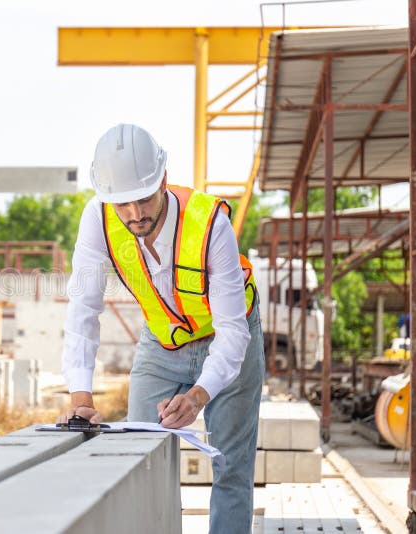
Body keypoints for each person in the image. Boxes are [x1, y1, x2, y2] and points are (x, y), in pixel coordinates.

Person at [57, 123, 265, 533]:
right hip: (162, 338)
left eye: (143, 199)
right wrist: (80, 395)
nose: (135, 215)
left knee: (231, 465)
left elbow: (233, 333)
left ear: (164, 181)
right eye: (123, 205)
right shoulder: (98, 219)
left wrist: (198, 396)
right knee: (140, 458)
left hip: (229, 336)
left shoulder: (211, 226)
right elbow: (83, 308)